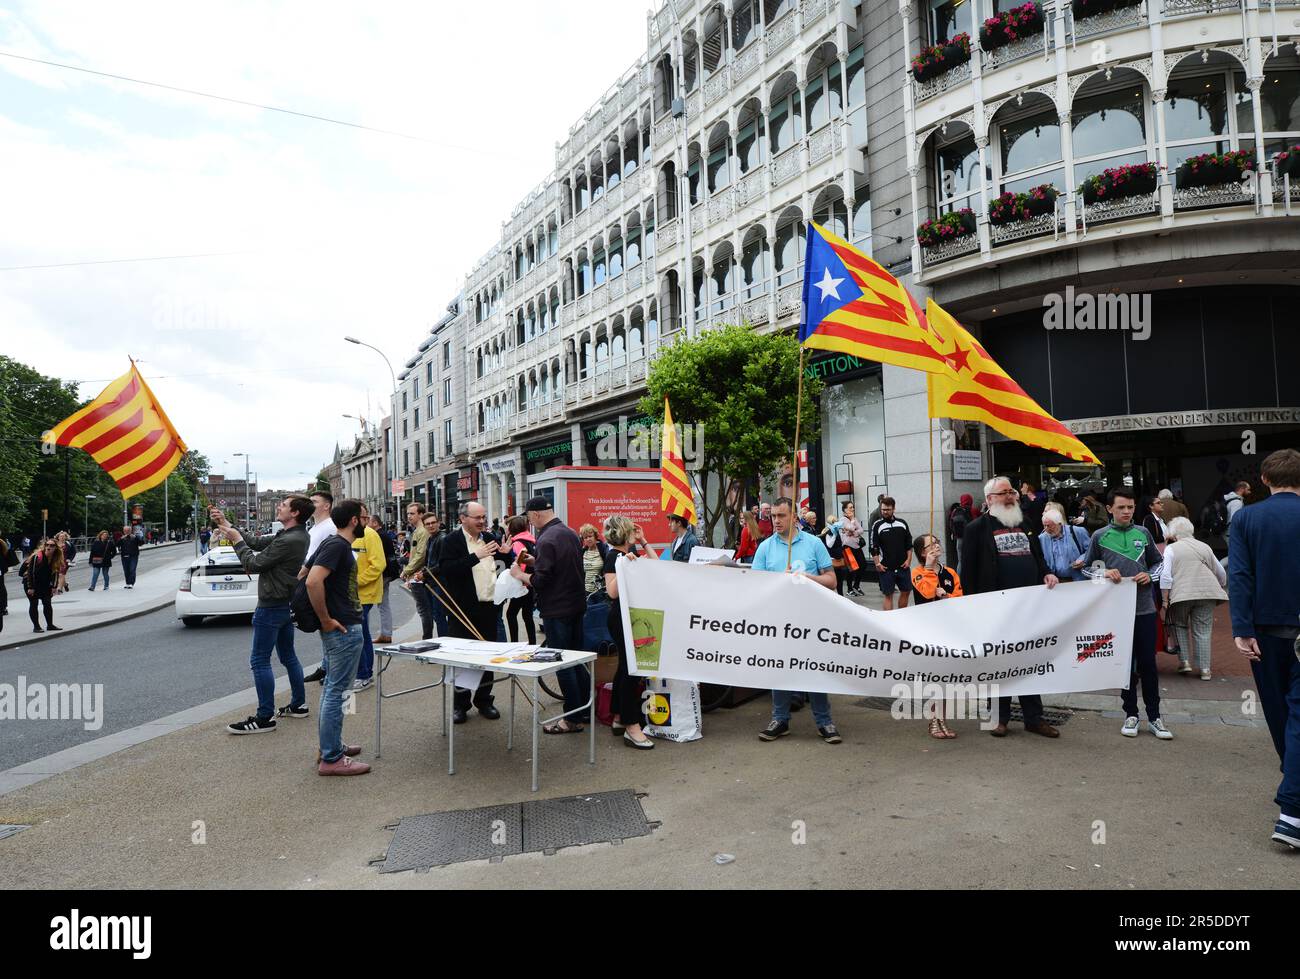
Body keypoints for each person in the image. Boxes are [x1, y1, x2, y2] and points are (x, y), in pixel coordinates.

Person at [1227, 448, 1300, 851]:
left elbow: (1240, 574)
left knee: (1279, 711)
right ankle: (1294, 798)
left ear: (1265, 480)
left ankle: (1291, 808)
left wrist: (1242, 628)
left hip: (1268, 631)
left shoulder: (1247, 518)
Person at [961, 476, 1061, 738]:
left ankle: (1034, 718)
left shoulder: (1025, 523)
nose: (1010, 496)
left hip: (1027, 608)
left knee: (1028, 661)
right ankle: (999, 717)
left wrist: (1047, 573)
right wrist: (973, 609)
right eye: (1003, 493)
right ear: (989, 500)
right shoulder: (976, 528)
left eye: (1012, 491)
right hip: (994, 610)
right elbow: (968, 572)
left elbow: (1038, 557)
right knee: (998, 664)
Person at [215, 495, 313, 735]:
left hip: (271, 606)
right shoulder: (296, 535)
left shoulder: (290, 540)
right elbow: (256, 542)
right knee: (288, 656)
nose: (279, 507)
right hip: (283, 604)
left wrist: (236, 541)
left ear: (296, 513)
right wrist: (228, 525)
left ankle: (264, 717)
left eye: (284, 505)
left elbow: (254, 563)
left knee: (259, 660)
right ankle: (298, 704)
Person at [1086, 487, 1172, 740]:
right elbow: (1088, 568)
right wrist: (1103, 573)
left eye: (1130, 507)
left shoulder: (1143, 533)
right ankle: (1130, 714)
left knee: (1148, 664)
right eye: (1121, 507)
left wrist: (1150, 575)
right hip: (1116, 613)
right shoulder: (1099, 536)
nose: (1126, 511)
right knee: (1125, 667)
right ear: (1110, 509)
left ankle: (1155, 717)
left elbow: (1159, 563)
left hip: (1145, 609)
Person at [755, 498, 842, 744]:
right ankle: (780, 719)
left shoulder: (814, 544)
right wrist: (777, 582)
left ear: (794, 517)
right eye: (773, 516)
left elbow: (832, 580)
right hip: (779, 620)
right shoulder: (765, 547)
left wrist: (805, 578)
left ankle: (824, 721)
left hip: (811, 619)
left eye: (781, 516)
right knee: (780, 670)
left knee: (814, 670)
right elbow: (755, 586)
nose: (776, 521)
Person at [303, 499, 371, 775]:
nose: (367, 521)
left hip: (342, 627)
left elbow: (304, 572)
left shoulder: (331, 544)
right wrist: (325, 618)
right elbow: (311, 580)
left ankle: (332, 746)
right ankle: (331, 758)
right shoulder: (338, 546)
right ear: (354, 520)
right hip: (342, 629)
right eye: (364, 517)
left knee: (335, 688)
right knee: (336, 691)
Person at [510, 497, 588, 733]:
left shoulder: (546, 538)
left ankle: (572, 718)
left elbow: (541, 581)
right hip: (576, 605)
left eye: (529, 516)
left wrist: (520, 574)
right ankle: (584, 709)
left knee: (562, 663)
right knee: (578, 660)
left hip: (556, 608)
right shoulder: (569, 532)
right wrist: (537, 561)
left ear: (535, 515)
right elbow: (563, 565)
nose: (530, 521)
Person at [429, 502, 504, 724]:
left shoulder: (489, 537)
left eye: (484, 517)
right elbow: (447, 571)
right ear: (463, 518)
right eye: (477, 518)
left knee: (488, 658)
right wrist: (475, 556)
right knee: (462, 658)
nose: (482, 521)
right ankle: (460, 704)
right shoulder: (451, 541)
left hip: (489, 608)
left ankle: (484, 700)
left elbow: (498, 566)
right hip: (462, 610)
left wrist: (507, 556)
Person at [601, 515, 656, 749]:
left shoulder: (627, 554)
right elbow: (612, 592)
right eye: (633, 530)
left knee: (626, 668)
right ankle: (631, 724)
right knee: (630, 670)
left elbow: (656, 567)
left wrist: (643, 541)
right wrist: (624, 566)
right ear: (624, 533)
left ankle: (617, 717)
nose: (636, 532)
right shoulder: (615, 556)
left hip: (632, 617)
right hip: (621, 617)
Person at [1160, 515, 1227, 680]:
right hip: (1206, 593)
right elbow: (1221, 572)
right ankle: (1205, 669)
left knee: (1180, 626)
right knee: (1203, 630)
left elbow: (1166, 576)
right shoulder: (1205, 546)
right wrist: (1219, 585)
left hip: (1181, 594)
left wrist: (1165, 599)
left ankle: (1185, 662)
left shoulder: (1171, 549)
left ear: (1173, 533)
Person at [910, 533, 962, 739]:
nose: (937, 545)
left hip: (949, 631)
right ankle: (934, 720)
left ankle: (942, 719)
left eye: (937, 541)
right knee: (935, 679)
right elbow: (927, 592)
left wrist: (947, 596)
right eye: (931, 544)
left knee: (946, 679)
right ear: (923, 553)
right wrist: (929, 569)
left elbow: (959, 598)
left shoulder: (950, 572)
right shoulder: (917, 572)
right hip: (928, 632)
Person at [300, 491, 337, 685]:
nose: (311, 504)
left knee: (329, 629)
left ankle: (330, 669)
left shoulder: (329, 527)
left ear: (326, 506)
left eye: (314, 501)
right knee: (324, 631)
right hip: (311, 579)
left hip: (322, 584)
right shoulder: (314, 528)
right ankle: (325, 666)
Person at [349, 503, 387, 692]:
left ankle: (364, 675)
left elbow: (378, 564)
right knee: (359, 634)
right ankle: (361, 673)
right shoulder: (348, 535)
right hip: (351, 595)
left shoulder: (370, 535)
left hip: (364, 594)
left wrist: (356, 582)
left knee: (359, 635)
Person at [400, 502, 445, 644]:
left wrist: (408, 571)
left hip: (432, 580)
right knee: (431, 612)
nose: (409, 516)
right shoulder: (427, 536)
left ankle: (433, 641)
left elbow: (422, 557)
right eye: (408, 513)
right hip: (426, 578)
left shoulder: (431, 535)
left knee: (432, 613)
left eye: (412, 513)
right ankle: (431, 641)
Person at [868, 497, 912, 611]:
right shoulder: (877, 525)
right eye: (883, 509)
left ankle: (902, 615)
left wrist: (908, 560)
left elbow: (909, 544)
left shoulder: (902, 523)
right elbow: (873, 547)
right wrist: (877, 564)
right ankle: (889, 620)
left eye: (887, 509)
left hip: (903, 566)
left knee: (906, 591)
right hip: (886, 567)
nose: (885, 512)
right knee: (888, 594)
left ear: (893, 509)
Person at [506, 515, 539, 644]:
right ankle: (532, 643)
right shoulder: (531, 540)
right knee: (527, 615)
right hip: (530, 583)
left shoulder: (518, 542)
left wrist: (519, 577)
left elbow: (521, 562)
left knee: (510, 614)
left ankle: (514, 642)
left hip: (522, 584)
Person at [22, 539, 64, 633]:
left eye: (52, 545)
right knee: (34, 603)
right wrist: (31, 587)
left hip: (44, 584)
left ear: (56, 548)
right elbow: (31, 573)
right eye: (47, 545)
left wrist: (54, 586)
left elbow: (56, 573)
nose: (49, 547)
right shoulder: (38, 556)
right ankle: (36, 626)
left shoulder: (56, 558)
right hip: (31, 582)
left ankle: (50, 625)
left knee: (47, 603)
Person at [1038, 509, 1090, 582]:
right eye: (1044, 526)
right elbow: (1039, 559)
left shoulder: (1077, 531)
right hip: (1056, 582)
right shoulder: (1042, 538)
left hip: (1078, 580)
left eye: (1049, 526)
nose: (1046, 529)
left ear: (1059, 524)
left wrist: (1082, 559)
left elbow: (1091, 550)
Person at [370, 514, 396, 643]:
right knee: (383, 603)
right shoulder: (383, 534)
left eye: (368, 521)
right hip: (387, 572)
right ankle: (386, 632)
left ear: (375, 523)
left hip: (383, 573)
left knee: (382, 604)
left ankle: (386, 633)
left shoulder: (378, 535)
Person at [837, 501, 866, 596]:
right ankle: (849, 589)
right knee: (852, 568)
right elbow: (851, 527)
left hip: (856, 546)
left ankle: (856, 585)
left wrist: (854, 532)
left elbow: (861, 530)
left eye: (853, 507)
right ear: (845, 510)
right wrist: (852, 525)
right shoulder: (842, 520)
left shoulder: (854, 519)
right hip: (847, 547)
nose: (852, 509)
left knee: (863, 565)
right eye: (850, 507)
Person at [946, 494, 975, 570]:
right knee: (972, 560)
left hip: (958, 539)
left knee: (960, 561)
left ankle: (959, 580)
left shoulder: (955, 510)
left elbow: (950, 524)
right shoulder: (972, 510)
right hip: (970, 539)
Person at [578, 523, 603, 596]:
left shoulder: (603, 550)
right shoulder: (582, 552)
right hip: (585, 592)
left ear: (595, 537)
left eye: (590, 536)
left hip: (600, 592)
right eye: (585, 537)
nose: (588, 539)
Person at [117, 525, 140, 589]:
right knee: (126, 570)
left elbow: (141, 543)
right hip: (124, 556)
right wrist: (121, 538)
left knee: (132, 569)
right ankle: (127, 583)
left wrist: (136, 537)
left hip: (133, 556)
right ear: (123, 531)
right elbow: (116, 544)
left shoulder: (134, 537)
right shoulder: (122, 538)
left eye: (128, 530)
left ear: (130, 531)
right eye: (125, 530)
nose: (126, 532)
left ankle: (131, 583)